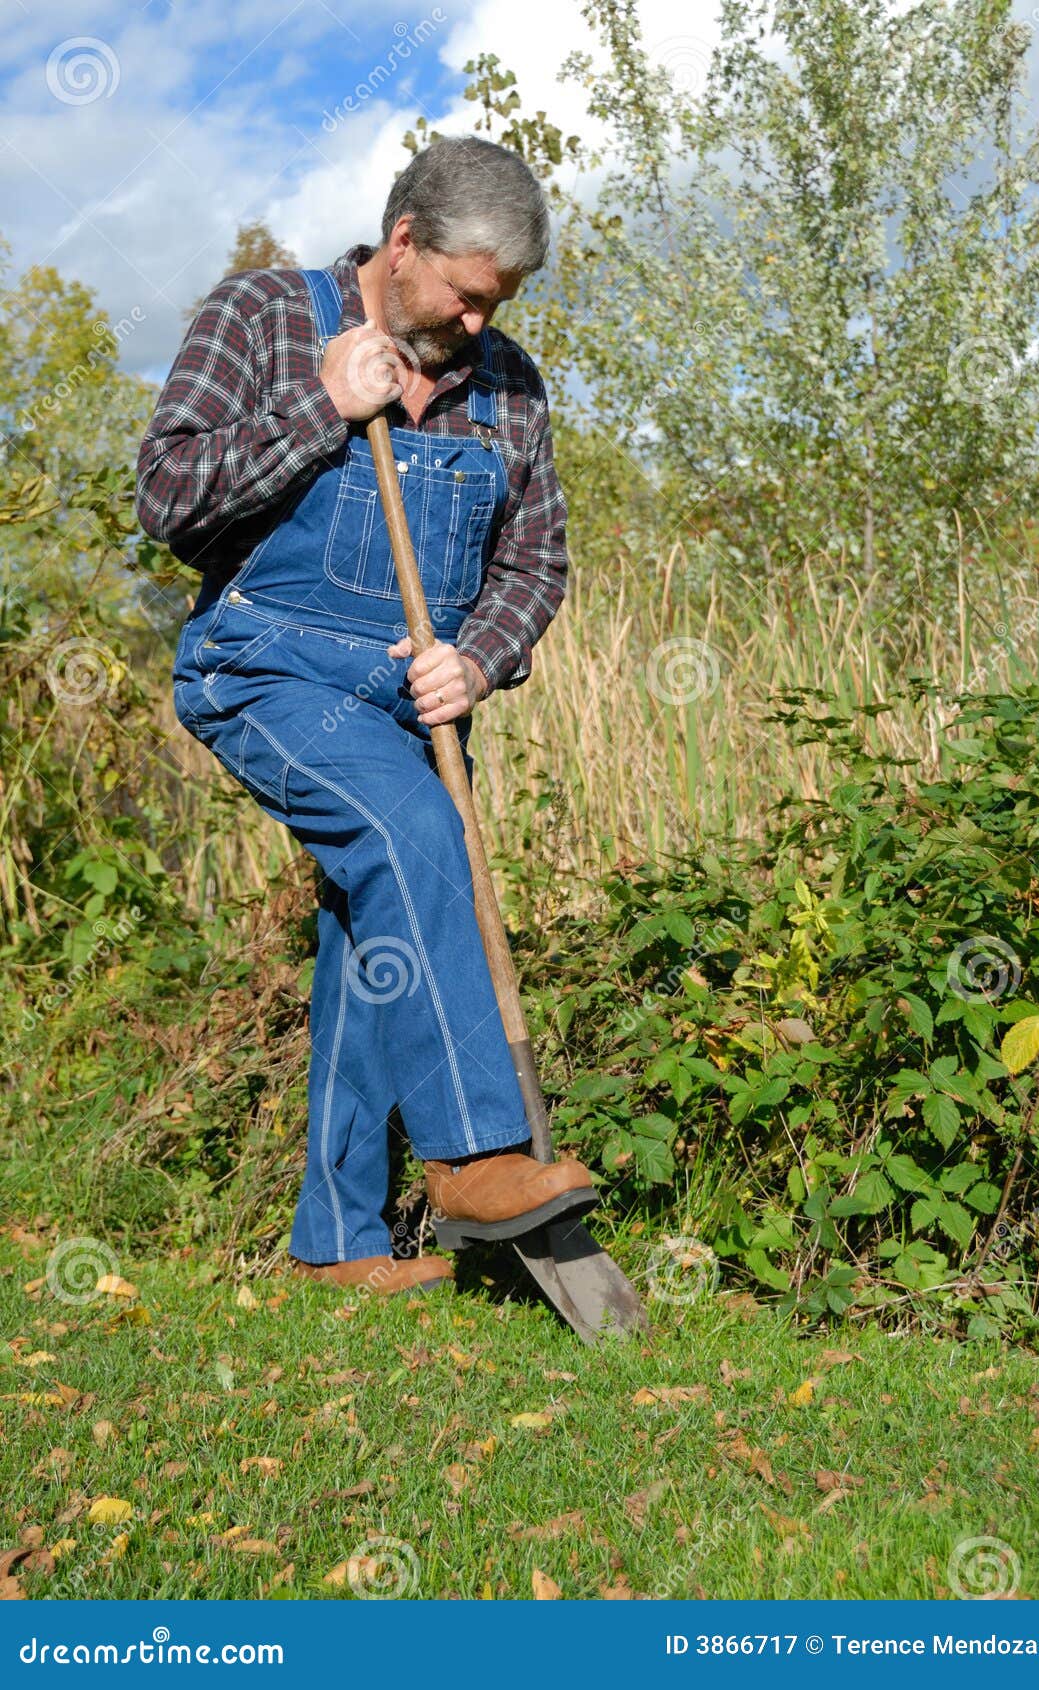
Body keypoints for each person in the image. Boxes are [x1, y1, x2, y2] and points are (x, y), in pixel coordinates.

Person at [135, 137, 596, 1297]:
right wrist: (321, 406)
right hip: (263, 670)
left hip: (411, 706)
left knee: (369, 933)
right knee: (409, 837)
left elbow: (534, 566)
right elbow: (164, 497)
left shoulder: (510, 390)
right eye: (466, 292)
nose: (481, 323)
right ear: (403, 244)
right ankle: (473, 1156)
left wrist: (481, 662)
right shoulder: (259, 319)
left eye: (500, 302)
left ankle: (334, 1243)